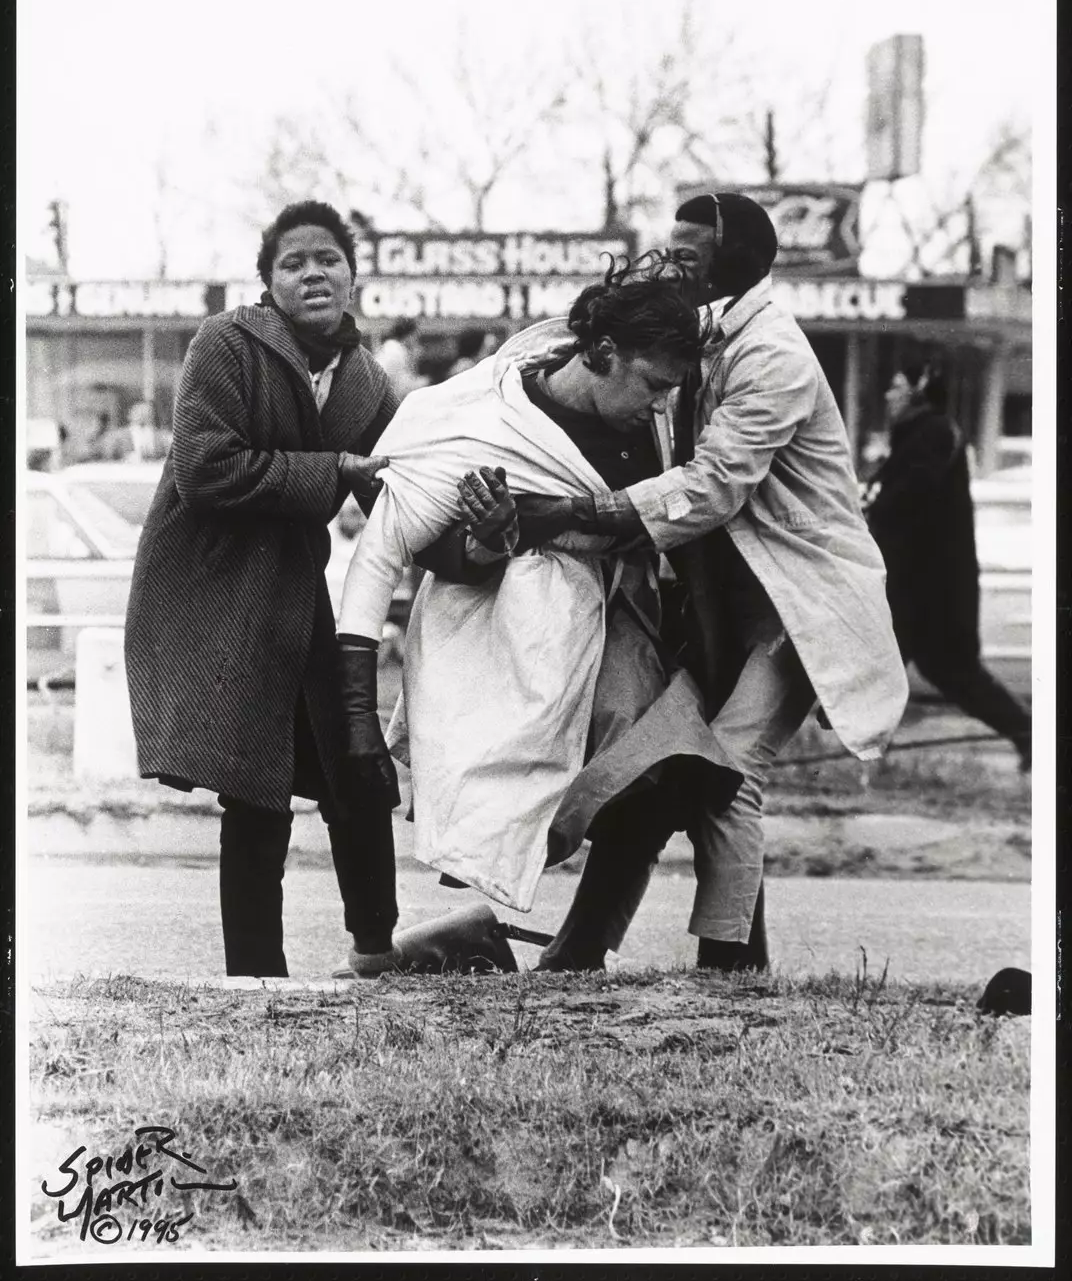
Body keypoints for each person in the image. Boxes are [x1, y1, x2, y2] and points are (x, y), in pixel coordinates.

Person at [513, 193, 909, 971]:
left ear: (736, 265)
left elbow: (714, 486)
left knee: (725, 773)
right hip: (720, 599)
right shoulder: (700, 340)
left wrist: (576, 508)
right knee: (661, 769)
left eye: (688, 257)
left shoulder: (774, 358)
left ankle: (730, 968)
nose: (669, 267)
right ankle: (582, 949)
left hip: (799, 603)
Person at [334, 254, 744, 970]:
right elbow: (380, 558)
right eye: (650, 384)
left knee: (664, 765)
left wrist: (711, 640)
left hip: (622, 608)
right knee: (518, 791)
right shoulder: (479, 423)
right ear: (603, 352)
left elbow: (681, 509)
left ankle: (580, 950)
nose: (658, 404)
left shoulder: (657, 411)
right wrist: (357, 712)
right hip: (510, 622)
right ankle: (474, 936)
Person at [124, 200, 408, 979]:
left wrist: (476, 521)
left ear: (353, 274)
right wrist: (332, 473)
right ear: (269, 284)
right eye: (294, 262)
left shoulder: (367, 382)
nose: (314, 272)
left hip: (293, 585)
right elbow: (204, 468)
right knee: (255, 786)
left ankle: (375, 952)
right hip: (213, 583)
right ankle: (255, 978)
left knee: (356, 760)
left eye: (330, 259)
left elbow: (398, 495)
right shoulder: (227, 342)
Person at [864, 363, 1031, 770]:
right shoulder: (923, 434)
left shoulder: (934, 433)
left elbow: (907, 498)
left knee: (941, 672)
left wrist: (872, 511)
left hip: (932, 591)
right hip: (921, 587)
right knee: (901, 670)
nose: (888, 395)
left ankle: (1032, 738)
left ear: (919, 393)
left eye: (897, 386)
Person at [102, 400, 172, 461]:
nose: (143, 415)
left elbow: (170, 455)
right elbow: (108, 456)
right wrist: (125, 458)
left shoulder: (162, 436)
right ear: (130, 414)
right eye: (139, 411)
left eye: (146, 412)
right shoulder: (117, 436)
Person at [376, 317, 427, 399]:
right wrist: (428, 381)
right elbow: (402, 390)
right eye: (415, 335)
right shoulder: (395, 352)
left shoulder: (392, 347)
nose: (416, 339)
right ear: (409, 336)